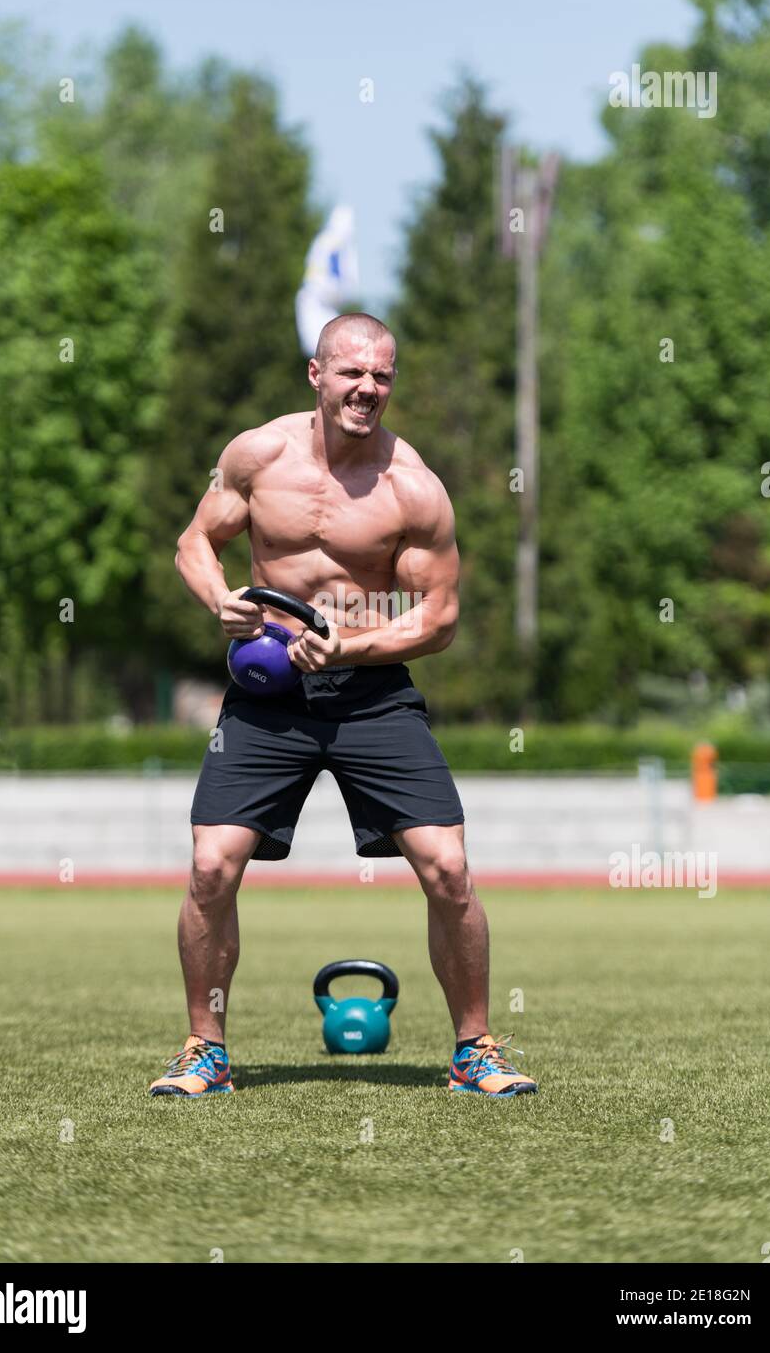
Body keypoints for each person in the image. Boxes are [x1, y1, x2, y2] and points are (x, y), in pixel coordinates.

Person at [149, 313, 537, 1100]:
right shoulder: (257, 456)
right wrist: (219, 599)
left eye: (382, 377)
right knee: (210, 865)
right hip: (267, 697)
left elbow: (438, 619)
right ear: (316, 375)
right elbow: (194, 541)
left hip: (372, 698)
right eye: (352, 373)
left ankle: (474, 1050)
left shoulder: (412, 488)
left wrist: (351, 647)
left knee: (449, 868)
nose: (367, 389)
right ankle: (205, 1051)